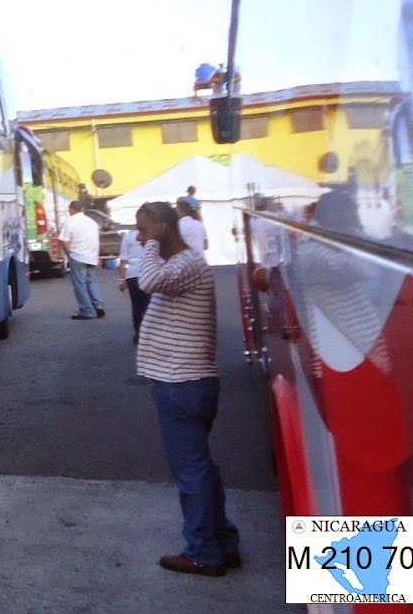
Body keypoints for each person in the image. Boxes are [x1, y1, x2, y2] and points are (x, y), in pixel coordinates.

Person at [135, 201, 240, 577]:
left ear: (163, 227)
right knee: (201, 469)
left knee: (192, 473)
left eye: (144, 229)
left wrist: (152, 243)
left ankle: (203, 552)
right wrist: (154, 240)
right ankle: (224, 542)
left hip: (181, 381)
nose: (139, 237)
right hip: (188, 380)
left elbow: (147, 281)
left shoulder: (183, 263)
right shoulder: (187, 264)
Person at [59, 200, 106, 320]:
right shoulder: (92, 222)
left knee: (80, 284)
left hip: (78, 256)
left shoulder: (70, 222)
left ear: (71, 209)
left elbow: (64, 241)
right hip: (92, 256)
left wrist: (69, 255)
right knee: (91, 281)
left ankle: (86, 310)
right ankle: (99, 305)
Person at [118, 225, 150, 344]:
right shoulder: (154, 236)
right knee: (149, 304)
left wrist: (122, 280)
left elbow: (123, 260)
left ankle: (139, 332)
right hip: (150, 273)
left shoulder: (128, 237)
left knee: (136, 306)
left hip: (133, 274)